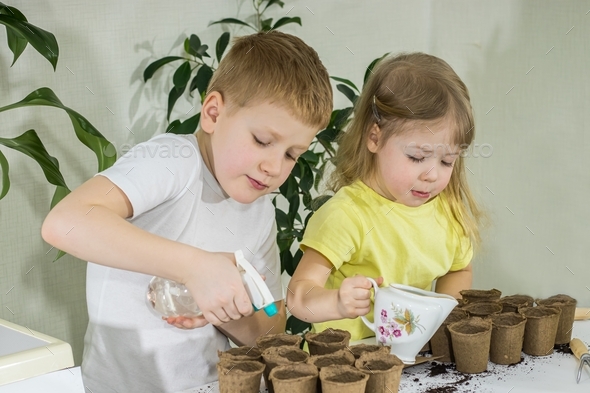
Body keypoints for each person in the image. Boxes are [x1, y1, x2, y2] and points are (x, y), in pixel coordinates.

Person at [41, 31, 332, 392]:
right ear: (213, 113)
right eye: (262, 140)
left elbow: (272, 324)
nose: (274, 166)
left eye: (292, 154)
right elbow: (65, 223)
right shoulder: (173, 161)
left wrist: (231, 305)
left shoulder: (259, 211)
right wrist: (195, 267)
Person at [286, 52, 483, 342]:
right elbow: (298, 295)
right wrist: (336, 303)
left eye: (447, 161)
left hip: (410, 368)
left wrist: (443, 313)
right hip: (343, 370)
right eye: (417, 157)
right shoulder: (347, 215)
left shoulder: (446, 212)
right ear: (375, 138)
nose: (432, 175)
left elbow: (459, 268)